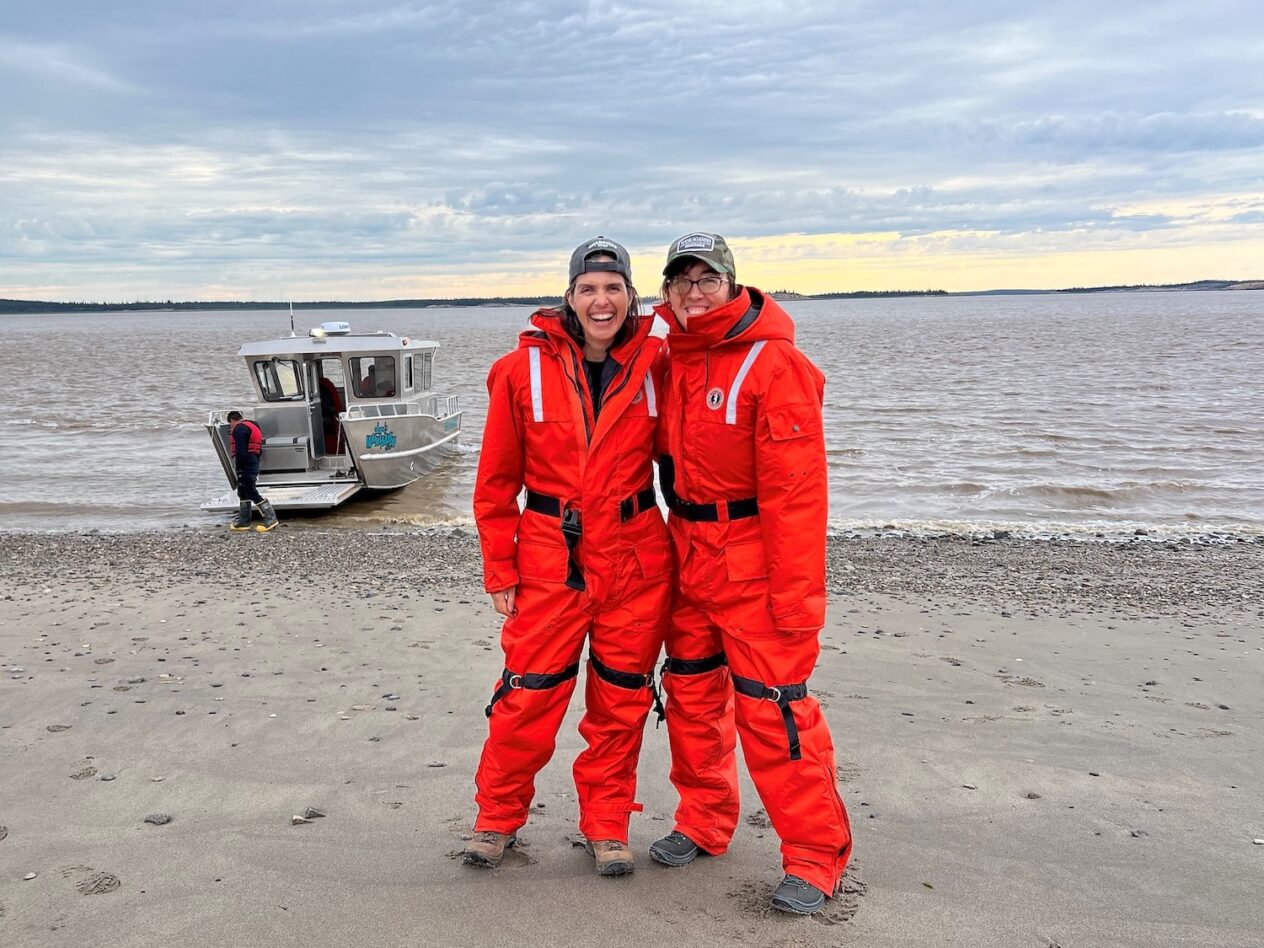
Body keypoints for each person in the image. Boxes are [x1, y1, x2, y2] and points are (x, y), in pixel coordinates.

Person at [648, 232, 852, 914]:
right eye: (682, 281)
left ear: (733, 284)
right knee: (692, 697)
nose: (695, 290)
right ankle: (704, 822)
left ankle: (815, 857)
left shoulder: (776, 365)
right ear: (668, 293)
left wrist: (797, 600)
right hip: (688, 551)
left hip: (756, 561)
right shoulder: (671, 359)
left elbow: (798, 498)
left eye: (708, 278)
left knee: (777, 710)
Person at [465, 237, 669, 877]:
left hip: (636, 558)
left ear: (632, 296)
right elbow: (495, 482)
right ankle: (497, 818)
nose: (601, 300)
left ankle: (607, 825)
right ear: (570, 297)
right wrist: (500, 567)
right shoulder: (516, 371)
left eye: (613, 288)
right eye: (589, 289)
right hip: (551, 557)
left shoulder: (660, 366)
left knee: (622, 698)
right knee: (527, 693)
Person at [227, 410, 278, 532]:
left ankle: (271, 518)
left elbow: (240, 451)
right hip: (253, 460)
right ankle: (244, 522)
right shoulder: (253, 425)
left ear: (232, 421)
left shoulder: (239, 429)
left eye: (230, 424)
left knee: (250, 490)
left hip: (246, 463)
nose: (230, 427)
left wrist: (239, 466)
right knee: (243, 491)